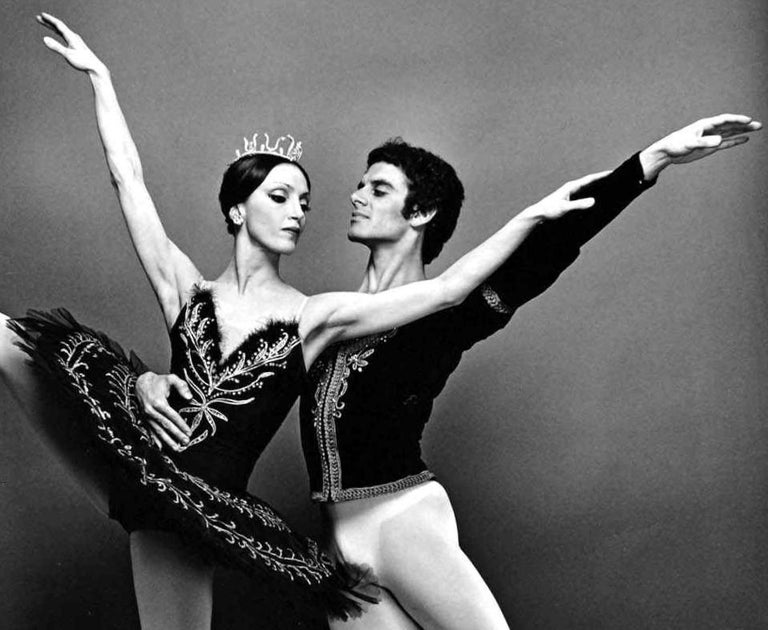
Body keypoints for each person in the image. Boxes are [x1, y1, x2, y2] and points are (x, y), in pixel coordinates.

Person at [0, 13, 627, 630]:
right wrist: (101, 79)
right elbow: (127, 181)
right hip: (136, 461)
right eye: (280, 197)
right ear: (237, 209)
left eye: (304, 200)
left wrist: (535, 216)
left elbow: (447, 291)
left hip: (201, 509)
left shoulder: (314, 317)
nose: (299, 211)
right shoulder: (183, 287)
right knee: (7, 340)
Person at [140, 114, 760, 629]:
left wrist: (652, 160)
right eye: (361, 185)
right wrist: (151, 382)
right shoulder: (320, 316)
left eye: (377, 189)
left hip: (402, 519)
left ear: (421, 213)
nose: (355, 196)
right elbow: (224, 378)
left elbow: (550, 244)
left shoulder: (447, 313)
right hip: (340, 547)